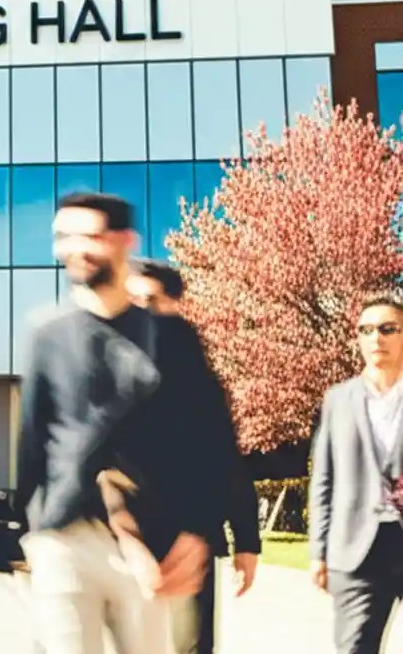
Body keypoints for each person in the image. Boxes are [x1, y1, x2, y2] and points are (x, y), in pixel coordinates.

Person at [16, 193, 236, 654]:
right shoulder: (45, 336)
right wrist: (34, 529)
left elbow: (213, 439)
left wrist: (198, 530)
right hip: (66, 536)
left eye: (90, 236)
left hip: (152, 541)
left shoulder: (173, 339)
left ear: (125, 241)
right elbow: (34, 442)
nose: (75, 248)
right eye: (64, 237)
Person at [128, 258, 261, 654]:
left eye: (149, 301)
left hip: (189, 543)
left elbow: (225, 462)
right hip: (120, 545)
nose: (140, 313)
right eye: (131, 301)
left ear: (176, 306)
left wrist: (247, 541)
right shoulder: (105, 372)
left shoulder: (199, 383)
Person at [309, 292, 403, 654]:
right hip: (356, 551)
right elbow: (323, 480)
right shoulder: (338, 400)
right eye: (365, 330)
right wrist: (318, 552)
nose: (375, 338)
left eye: (387, 328)